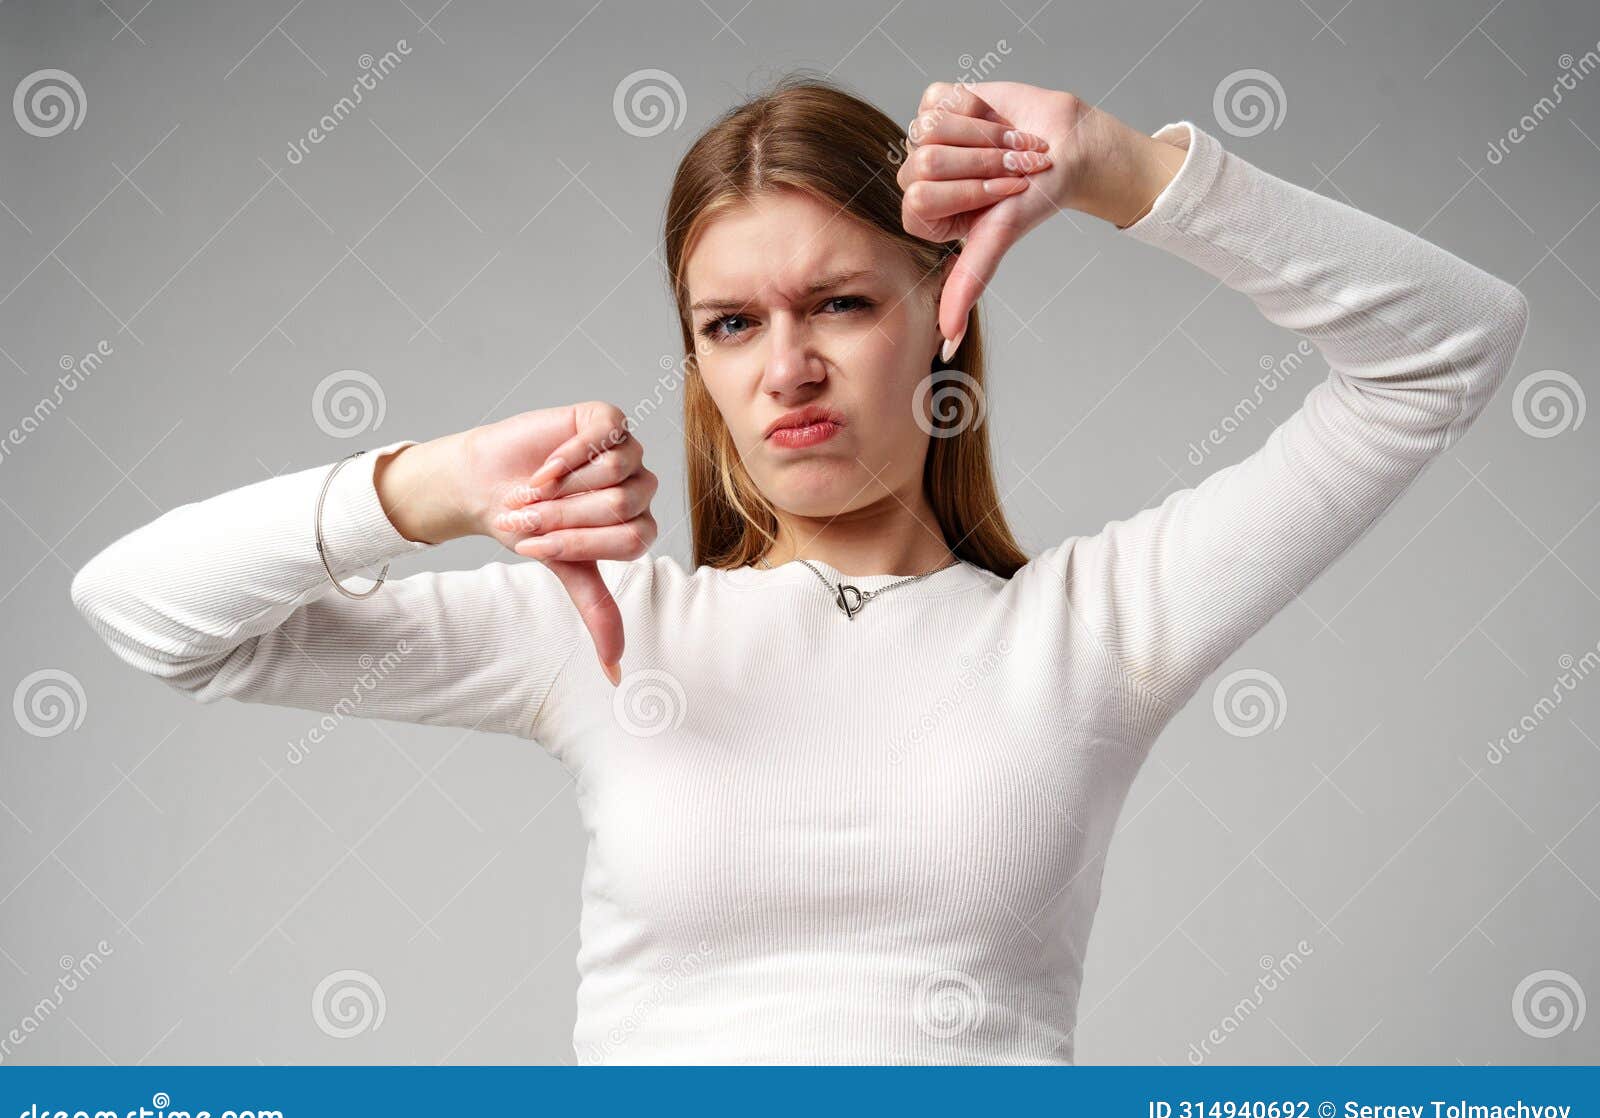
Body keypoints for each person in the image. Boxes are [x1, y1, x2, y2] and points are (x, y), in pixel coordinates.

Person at [70, 72, 1530, 1064]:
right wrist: (433, 487)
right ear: (698, 360)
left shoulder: (1092, 629)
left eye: (840, 301)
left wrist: (1119, 167)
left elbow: (1447, 348)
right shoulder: (608, 628)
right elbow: (148, 618)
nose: (789, 371)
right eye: (731, 325)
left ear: (943, 311)